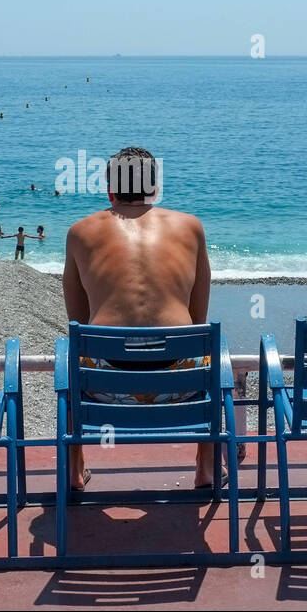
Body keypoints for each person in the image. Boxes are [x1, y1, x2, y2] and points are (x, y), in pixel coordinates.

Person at [62, 146, 215, 490]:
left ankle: (75, 470)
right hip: (180, 385)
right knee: (212, 354)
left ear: (109, 189)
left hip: (104, 386)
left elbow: (78, 323)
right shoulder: (191, 227)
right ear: (155, 188)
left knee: (73, 359)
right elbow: (198, 318)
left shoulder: (79, 232)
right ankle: (206, 467)